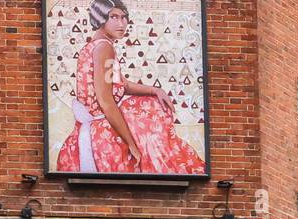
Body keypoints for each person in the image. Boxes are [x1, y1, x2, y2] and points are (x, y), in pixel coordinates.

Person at [55, 1, 206, 175]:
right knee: (153, 126)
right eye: (114, 17)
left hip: (94, 129)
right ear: (101, 18)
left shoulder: (96, 45)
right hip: (102, 134)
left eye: (124, 17)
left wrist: (155, 90)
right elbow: (106, 101)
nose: (121, 23)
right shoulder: (104, 48)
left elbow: (122, 85)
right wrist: (131, 144)